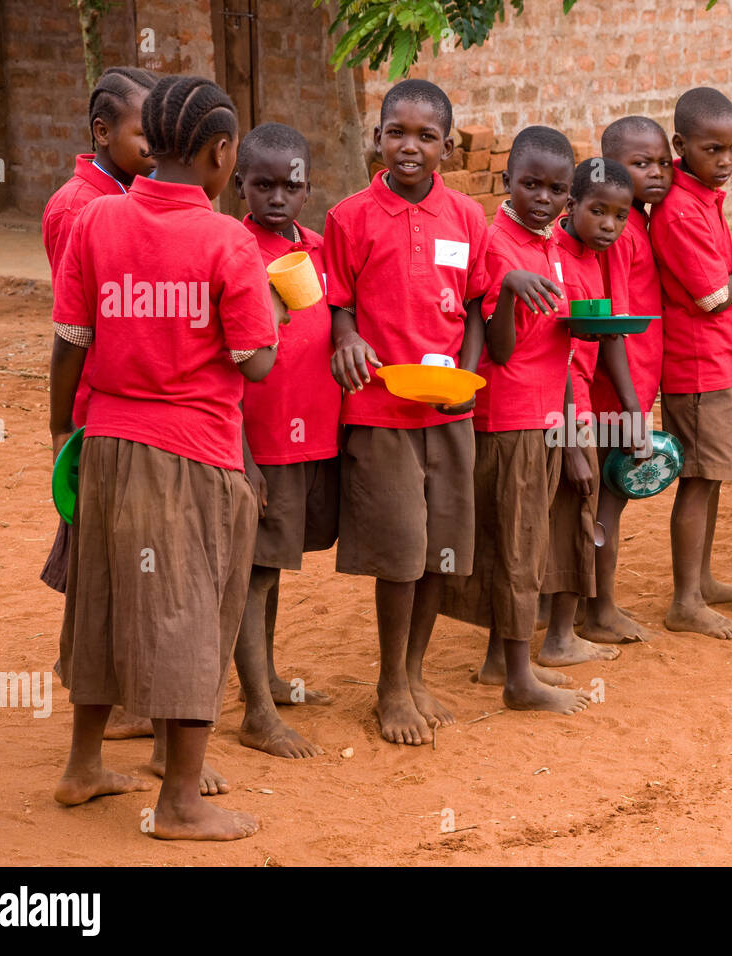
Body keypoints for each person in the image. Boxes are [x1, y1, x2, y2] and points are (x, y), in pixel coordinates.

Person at [50, 75, 283, 840]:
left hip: (107, 444)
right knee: (189, 616)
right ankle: (180, 803)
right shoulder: (227, 240)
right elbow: (252, 362)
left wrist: (62, 434)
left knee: (103, 600)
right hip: (191, 454)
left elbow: (70, 342)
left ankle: (83, 766)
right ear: (221, 154)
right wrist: (275, 312)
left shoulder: (98, 221)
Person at [325, 80, 490, 745]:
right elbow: (336, 299)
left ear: (448, 148)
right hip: (380, 407)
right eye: (397, 132)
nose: (410, 146)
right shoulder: (350, 217)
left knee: (438, 550)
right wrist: (346, 336)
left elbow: (477, 303)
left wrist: (469, 377)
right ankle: (390, 681)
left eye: (426, 136)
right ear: (377, 138)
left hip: (448, 407)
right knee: (399, 548)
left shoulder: (469, 219)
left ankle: (416, 672)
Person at [441, 126, 591, 715]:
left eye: (557, 189)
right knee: (517, 544)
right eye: (531, 185)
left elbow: (561, 349)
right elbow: (499, 349)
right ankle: (520, 680)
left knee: (522, 539)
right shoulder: (499, 245)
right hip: (509, 418)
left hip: (547, 412)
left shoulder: (550, 242)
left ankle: (499, 660)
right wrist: (506, 290)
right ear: (507, 182)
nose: (543, 198)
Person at [40, 66, 158, 743]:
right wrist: (68, 425)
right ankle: (103, 691)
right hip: (96, 403)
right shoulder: (76, 208)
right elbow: (77, 324)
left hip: (116, 399)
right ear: (102, 132)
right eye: (145, 134)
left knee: (112, 548)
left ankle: (105, 681)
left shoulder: (122, 193)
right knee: (103, 550)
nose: (155, 147)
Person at [233, 122, 339, 758]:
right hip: (260, 440)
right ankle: (256, 712)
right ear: (239, 183)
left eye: (291, 185)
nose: (277, 196)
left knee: (273, 568)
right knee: (253, 573)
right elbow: (227, 365)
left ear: (307, 189)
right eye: (262, 184)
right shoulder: (233, 249)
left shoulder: (319, 250)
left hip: (311, 436)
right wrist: (244, 458)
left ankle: (267, 678)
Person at [648, 87, 732, 639]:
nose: (727, 161)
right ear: (681, 145)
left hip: (718, 359)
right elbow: (713, 295)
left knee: (710, 478)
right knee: (696, 478)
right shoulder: (680, 209)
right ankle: (685, 600)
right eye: (714, 150)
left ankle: (703, 582)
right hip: (695, 365)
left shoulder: (702, 198)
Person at [538, 157, 644, 667]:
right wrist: (574, 436)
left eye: (620, 216)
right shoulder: (551, 258)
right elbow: (550, 351)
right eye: (598, 211)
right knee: (570, 519)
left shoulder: (589, 260)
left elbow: (608, 335)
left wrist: (633, 410)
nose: (610, 225)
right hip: (558, 409)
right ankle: (559, 635)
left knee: (580, 515)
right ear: (570, 204)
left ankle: (582, 620)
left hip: (581, 406)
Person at [580, 116, 673, 645]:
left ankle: (583, 606)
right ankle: (600, 609)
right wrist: (635, 411)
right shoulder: (620, 232)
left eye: (663, 162)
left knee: (600, 502)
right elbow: (610, 326)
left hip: (627, 387)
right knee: (605, 504)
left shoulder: (632, 222)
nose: (657, 173)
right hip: (615, 392)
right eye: (641, 164)